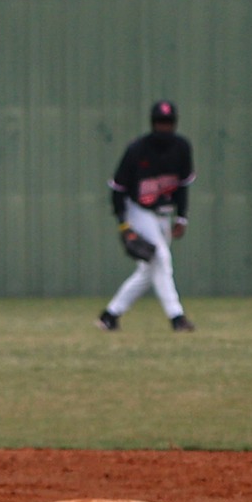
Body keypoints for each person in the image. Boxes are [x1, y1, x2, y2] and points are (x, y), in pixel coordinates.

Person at [99, 100, 196, 332]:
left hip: (164, 214)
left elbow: (183, 186)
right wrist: (124, 226)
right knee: (161, 259)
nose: (164, 127)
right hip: (139, 210)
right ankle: (177, 317)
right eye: (160, 122)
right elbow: (118, 190)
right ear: (153, 123)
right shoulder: (137, 149)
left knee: (149, 270)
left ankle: (110, 315)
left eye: (168, 122)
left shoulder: (182, 147)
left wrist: (181, 217)